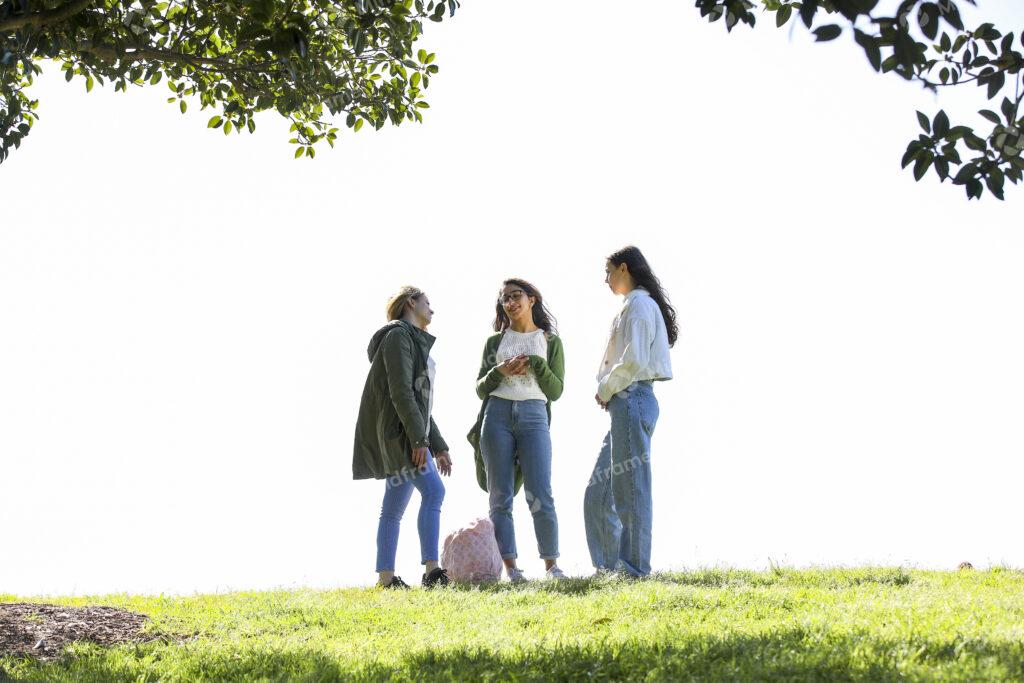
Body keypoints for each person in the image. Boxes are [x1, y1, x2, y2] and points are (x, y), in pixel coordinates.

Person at [584, 247, 677, 578]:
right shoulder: (635, 305)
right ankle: (609, 569)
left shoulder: (639, 305)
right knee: (599, 491)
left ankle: (633, 569)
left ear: (624, 268)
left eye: (608, 272)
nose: (606, 280)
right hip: (626, 403)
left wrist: (606, 387)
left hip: (633, 398)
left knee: (631, 490)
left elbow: (635, 359)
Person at [353, 286, 453, 589]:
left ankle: (386, 579)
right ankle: (432, 571)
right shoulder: (398, 336)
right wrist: (418, 441)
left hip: (409, 433)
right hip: (401, 435)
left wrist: (439, 445)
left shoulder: (412, 341)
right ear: (412, 303)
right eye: (427, 302)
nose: (432, 310)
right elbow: (401, 392)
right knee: (434, 493)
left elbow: (422, 404)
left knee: (393, 509)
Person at [467, 279, 566, 582]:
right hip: (496, 416)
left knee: (541, 493)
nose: (510, 302)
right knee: (500, 496)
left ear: (532, 299)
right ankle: (511, 568)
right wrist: (499, 371)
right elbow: (480, 388)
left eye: (516, 296)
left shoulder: (550, 341)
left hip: (534, 416)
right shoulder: (494, 343)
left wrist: (536, 364)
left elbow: (556, 390)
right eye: (505, 299)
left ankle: (552, 566)